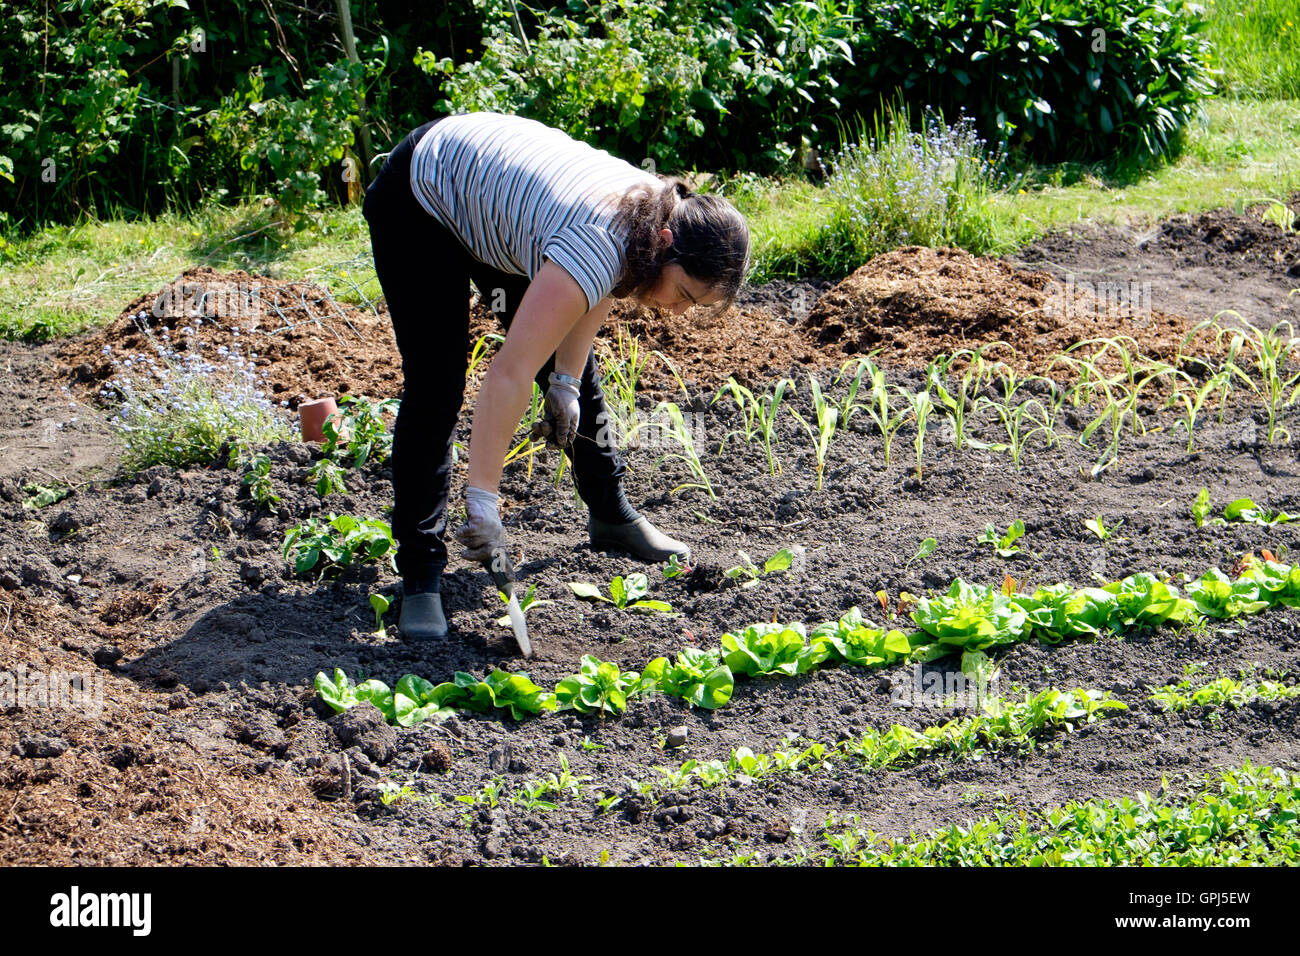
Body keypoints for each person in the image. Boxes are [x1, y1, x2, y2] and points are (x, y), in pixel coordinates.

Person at [362, 112, 750, 639]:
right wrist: (483, 504)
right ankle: (421, 574)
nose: (679, 312)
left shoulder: (650, 219)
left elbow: (599, 289)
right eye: (683, 294)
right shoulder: (600, 239)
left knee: (569, 369)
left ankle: (610, 514)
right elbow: (508, 374)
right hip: (422, 197)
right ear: (664, 243)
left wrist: (564, 383)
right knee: (437, 382)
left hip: (497, 203)